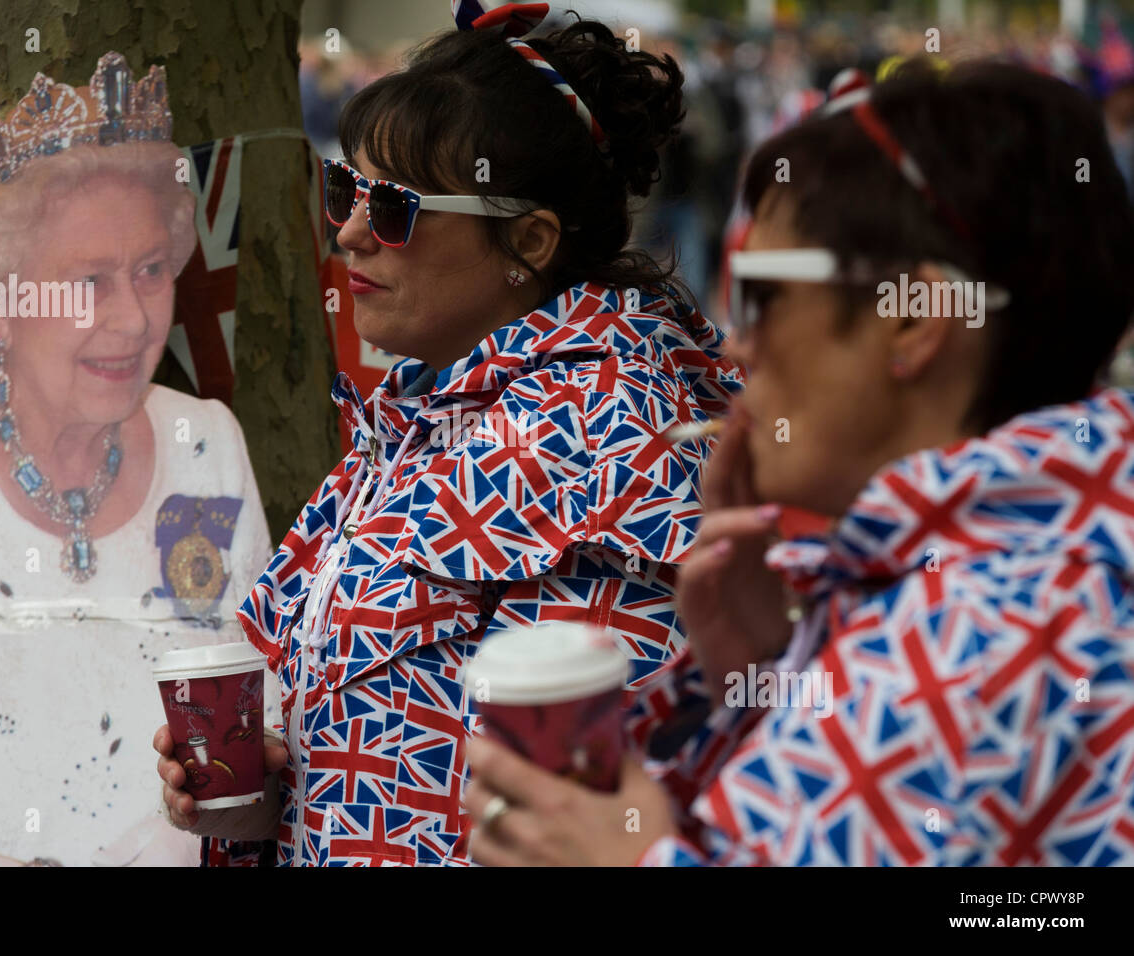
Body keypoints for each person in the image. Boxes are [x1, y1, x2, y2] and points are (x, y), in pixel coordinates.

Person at [463, 61, 1134, 866]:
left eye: (760, 294)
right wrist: (770, 674)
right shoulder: (1052, 560)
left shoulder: (978, 632)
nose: (737, 342)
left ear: (915, 319)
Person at [156, 3, 742, 866]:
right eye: (343, 189)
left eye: (394, 208)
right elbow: (403, 763)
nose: (349, 230)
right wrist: (266, 803)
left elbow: (588, 809)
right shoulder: (420, 411)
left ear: (528, 242)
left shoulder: (608, 437)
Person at [0, 53, 272, 866]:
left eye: (148, 272)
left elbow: (260, 725)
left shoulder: (204, 447)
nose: (135, 321)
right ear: (1, 301)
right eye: (86, 284)